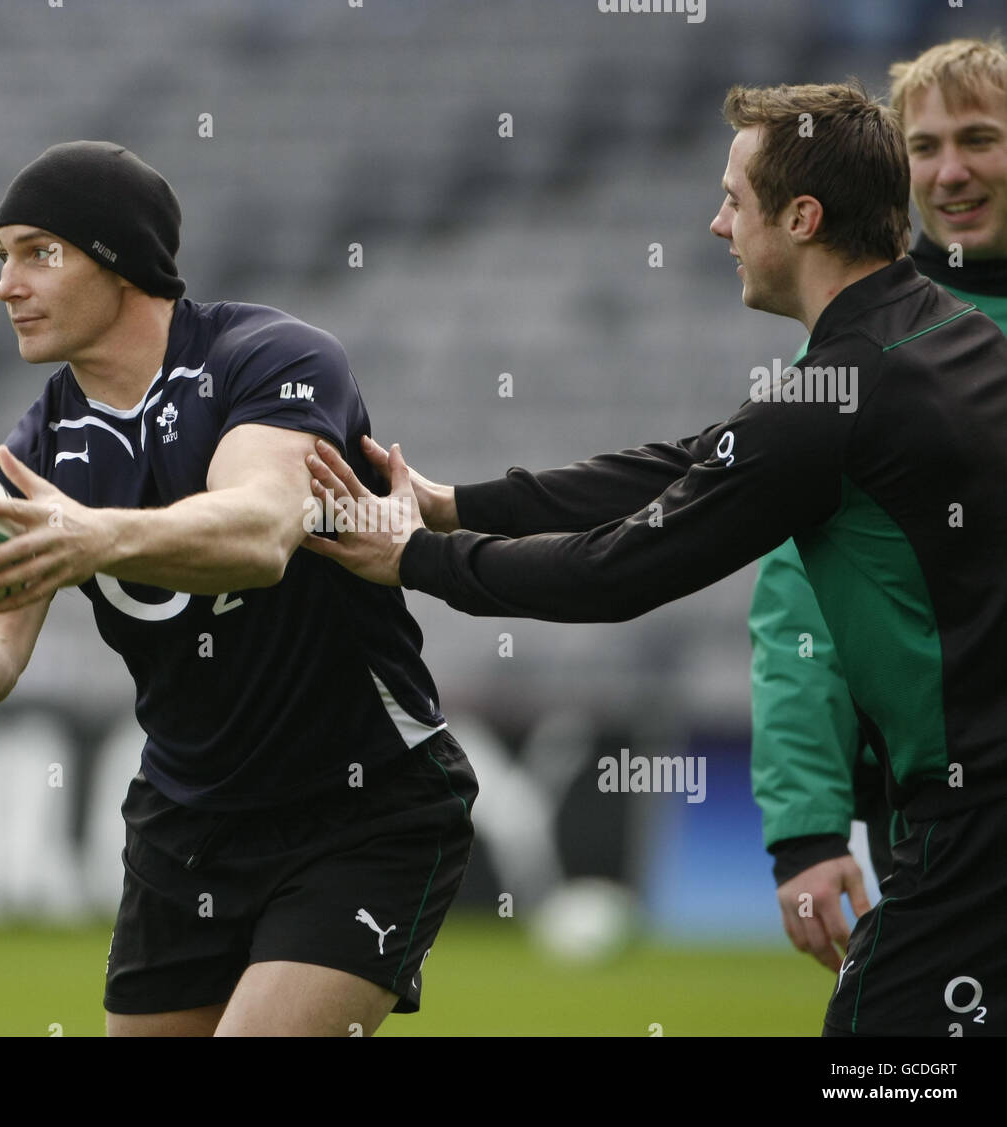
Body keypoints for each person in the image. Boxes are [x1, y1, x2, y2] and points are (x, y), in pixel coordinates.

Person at [304, 82, 1007, 1037]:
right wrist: (459, 502)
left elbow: (615, 572)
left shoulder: (841, 396)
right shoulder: (934, 335)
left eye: (733, 200)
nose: (717, 224)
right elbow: (689, 463)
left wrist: (417, 559)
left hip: (976, 822)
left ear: (802, 219)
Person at [0, 141, 476, 1037]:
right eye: (2, 255)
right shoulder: (44, 441)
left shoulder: (271, 358)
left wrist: (91, 535)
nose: (6, 285)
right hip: (187, 820)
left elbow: (260, 532)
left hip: (362, 805)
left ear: (121, 263)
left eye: (38, 252)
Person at [748, 37, 1007, 976]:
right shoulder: (861, 352)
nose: (950, 171)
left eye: (979, 139)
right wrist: (808, 828)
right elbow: (799, 608)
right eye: (925, 146)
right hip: (934, 813)